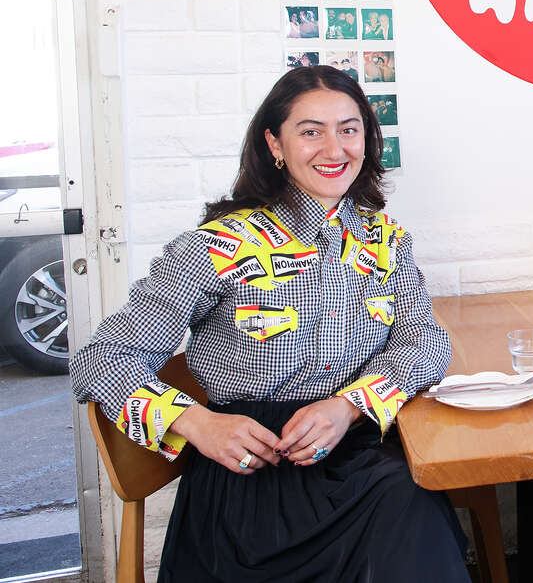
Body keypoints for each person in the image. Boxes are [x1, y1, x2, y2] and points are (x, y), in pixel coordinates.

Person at [70, 66, 469, 583]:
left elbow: (425, 344)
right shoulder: (219, 246)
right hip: (251, 480)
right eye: (311, 131)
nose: (334, 148)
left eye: (349, 129)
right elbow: (101, 361)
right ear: (274, 143)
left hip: (353, 457)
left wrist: (349, 407)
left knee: (408, 500)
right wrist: (196, 422)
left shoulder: (384, 239)